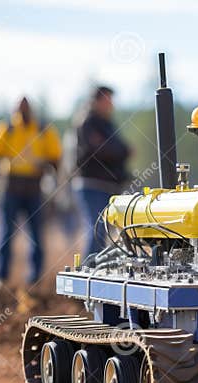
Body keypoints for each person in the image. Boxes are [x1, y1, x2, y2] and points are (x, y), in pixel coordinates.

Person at [0, 97, 62, 286]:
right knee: (5, 233)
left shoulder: (43, 130)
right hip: (11, 188)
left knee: (36, 234)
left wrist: (53, 183)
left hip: (35, 189)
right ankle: (0, 276)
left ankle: (35, 278)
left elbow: (56, 160)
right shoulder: (6, 129)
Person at [73, 86, 131, 257]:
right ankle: (88, 270)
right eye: (107, 100)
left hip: (107, 186)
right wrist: (123, 151)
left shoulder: (106, 124)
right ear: (96, 101)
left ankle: (96, 269)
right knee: (96, 229)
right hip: (91, 185)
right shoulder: (87, 123)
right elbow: (105, 150)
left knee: (103, 231)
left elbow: (117, 148)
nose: (111, 104)